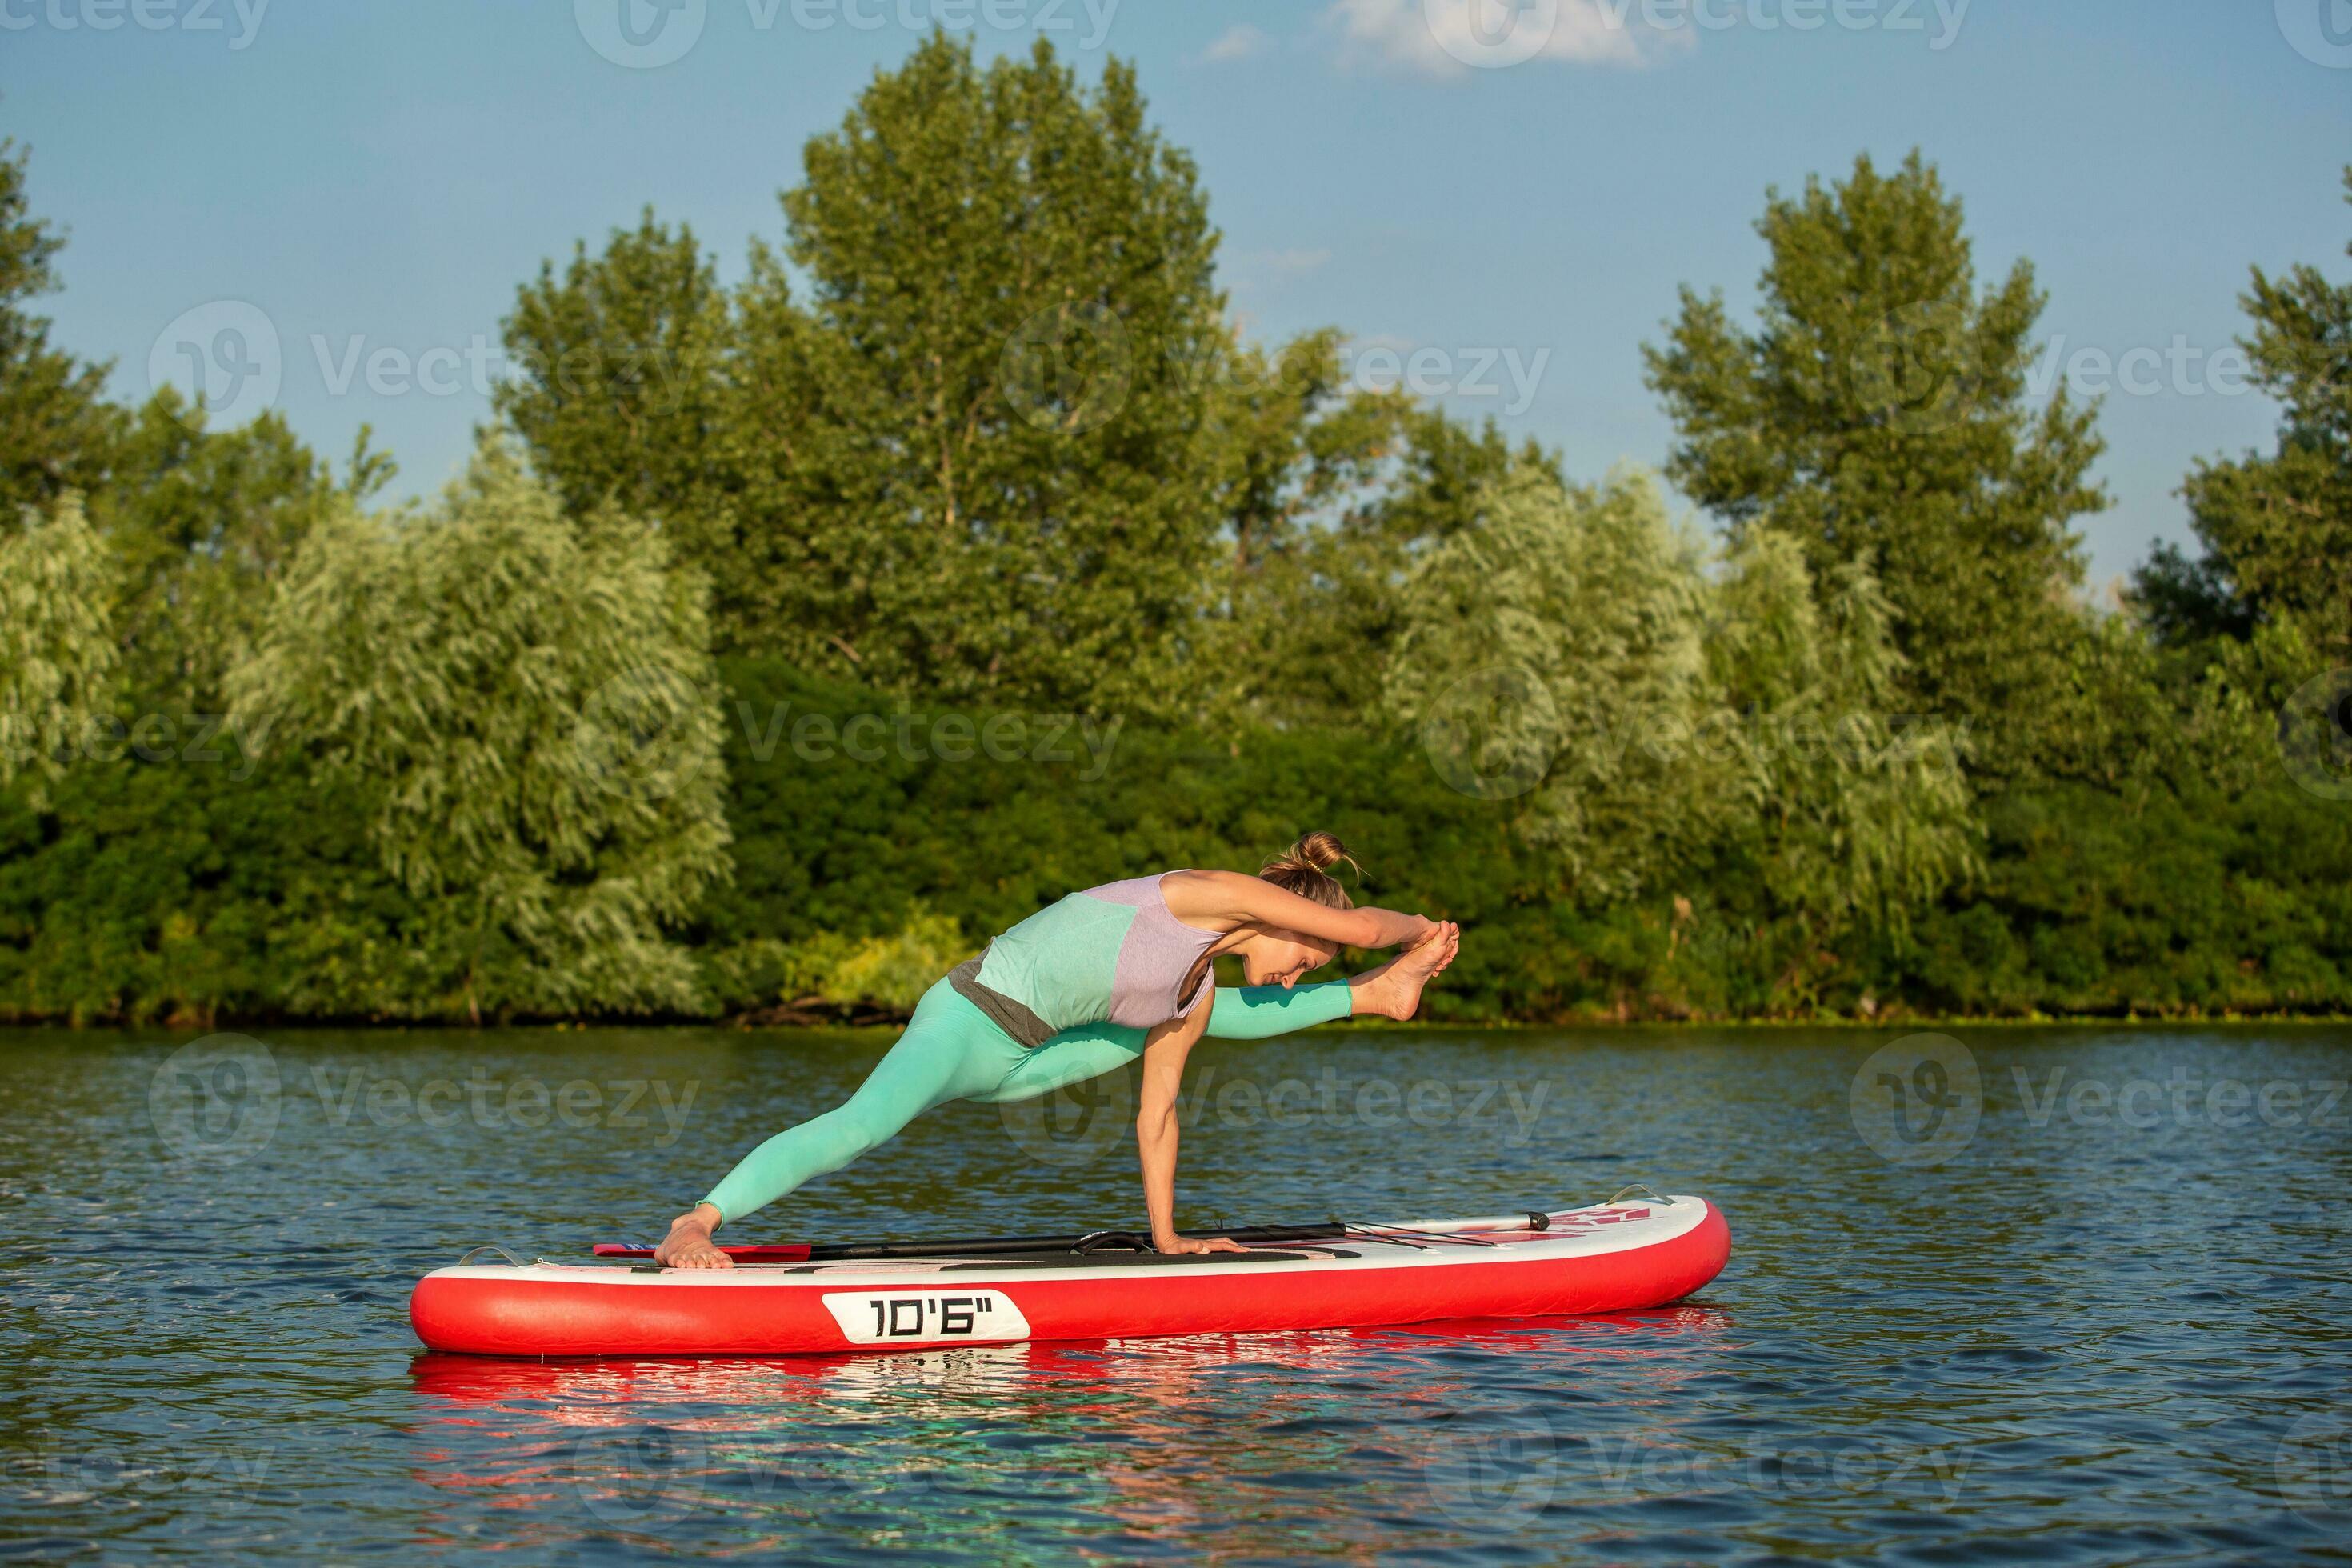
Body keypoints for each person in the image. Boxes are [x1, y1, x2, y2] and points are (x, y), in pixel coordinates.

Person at [657, 833, 1460, 1268]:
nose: (1290, 981)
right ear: (1290, 919)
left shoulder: (1194, 986)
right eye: (1304, 962)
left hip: (1034, 1058)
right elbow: (1357, 928)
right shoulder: (1208, 894)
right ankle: (695, 1222)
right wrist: (1421, 931)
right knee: (860, 1126)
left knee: (1202, 1013)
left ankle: (1379, 996)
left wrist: (1170, 1237)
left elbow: (1157, 1116)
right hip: (967, 1021)